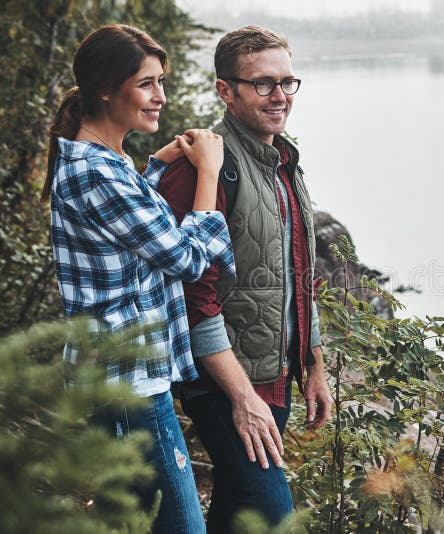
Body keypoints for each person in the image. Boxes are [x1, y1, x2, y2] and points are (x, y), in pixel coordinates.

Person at [42, 24, 235, 533]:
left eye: (161, 82)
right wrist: (209, 174)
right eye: (147, 83)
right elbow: (188, 259)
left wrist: (156, 167)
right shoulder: (97, 173)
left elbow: (125, 233)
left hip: (121, 378)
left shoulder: (105, 161)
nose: (160, 97)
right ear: (106, 88)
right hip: (126, 384)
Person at [157, 25, 333, 530]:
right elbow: (194, 297)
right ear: (225, 90)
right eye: (262, 84)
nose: (279, 96)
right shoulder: (202, 168)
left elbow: (298, 273)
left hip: (272, 379)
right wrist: (241, 398)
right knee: (274, 517)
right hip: (224, 383)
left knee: (238, 511)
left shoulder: (283, 162)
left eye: (287, 82)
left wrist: (313, 362)